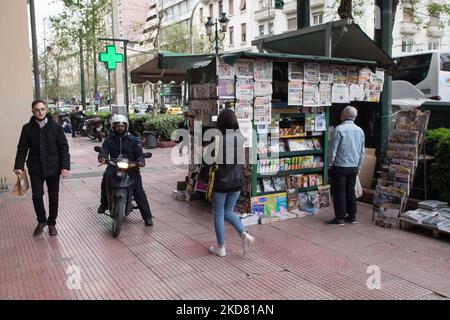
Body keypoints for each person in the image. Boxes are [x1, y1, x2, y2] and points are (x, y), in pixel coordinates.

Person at [14, 99, 70, 237]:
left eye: (42, 109)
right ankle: (41, 221)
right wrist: (19, 166)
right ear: (32, 111)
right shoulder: (27, 128)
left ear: (46, 110)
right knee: (37, 196)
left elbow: (63, 147)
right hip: (35, 169)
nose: (40, 112)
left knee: (53, 197)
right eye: (37, 110)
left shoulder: (55, 127)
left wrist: (65, 166)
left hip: (53, 168)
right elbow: (22, 149)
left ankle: (52, 224)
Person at [208, 109, 255, 257]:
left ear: (220, 122)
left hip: (221, 181)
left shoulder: (218, 138)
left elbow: (209, 159)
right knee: (229, 212)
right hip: (237, 181)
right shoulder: (240, 137)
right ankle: (245, 235)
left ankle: (221, 247)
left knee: (219, 214)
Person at [97, 114, 154, 226]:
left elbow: (139, 154)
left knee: (138, 190)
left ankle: (147, 217)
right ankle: (103, 204)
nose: (120, 128)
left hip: (131, 167)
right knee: (105, 180)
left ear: (126, 126)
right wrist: (102, 157)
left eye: (122, 126)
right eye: (117, 126)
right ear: (112, 127)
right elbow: (103, 151)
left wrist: (141, 161)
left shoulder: (133, 140)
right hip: (114, 166)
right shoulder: (109, 140)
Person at [328, 106, 365, 226]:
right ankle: (352, 216)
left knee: (339, 192)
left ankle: (339, 218)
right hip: (354, 165)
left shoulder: (338, 129)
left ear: (343, 115)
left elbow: (333, 149)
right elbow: (362, 151)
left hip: (340, 165)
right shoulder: (360, 131)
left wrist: (329, 164)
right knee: (350, 191)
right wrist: (359, 166)